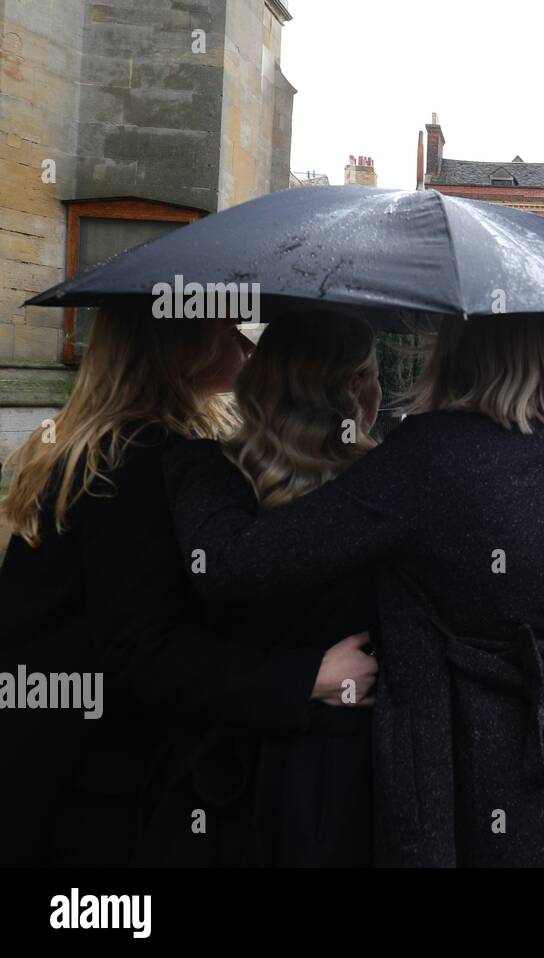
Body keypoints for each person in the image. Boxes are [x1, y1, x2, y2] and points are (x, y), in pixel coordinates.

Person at [164, 314, 544, 866]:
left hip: (479, 744)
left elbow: (233, 563)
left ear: (459, 342)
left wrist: (199, 454)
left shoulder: (428, 454)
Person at [0, 308, 375, 867]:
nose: (246, 348)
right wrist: (301, 680)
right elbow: (140, 646)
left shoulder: (111, 443)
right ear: (177, 346)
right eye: (226, 333)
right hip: (89, 786)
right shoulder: (132, 461)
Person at [137, 309, 382, 866]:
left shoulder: (202, 471)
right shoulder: (383, 488)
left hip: (221, 770)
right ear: (352, 387)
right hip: (323, 777)